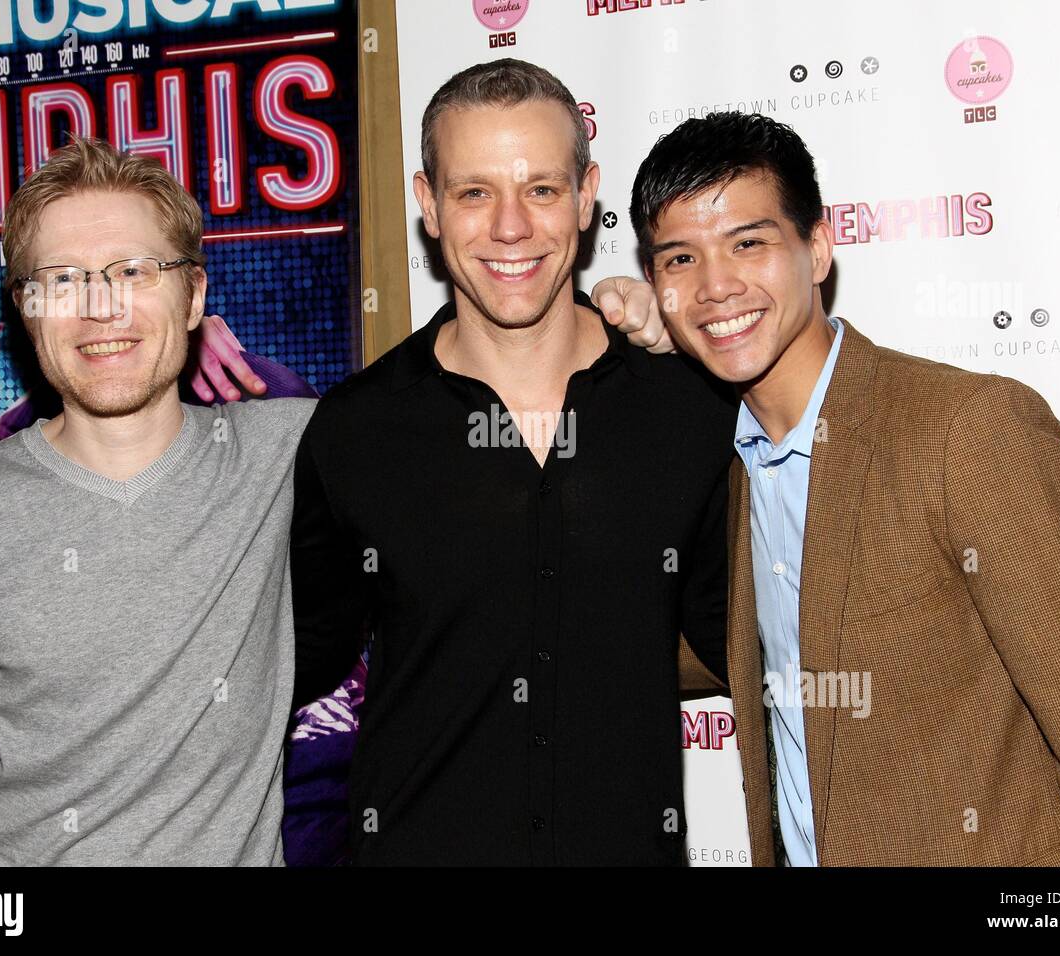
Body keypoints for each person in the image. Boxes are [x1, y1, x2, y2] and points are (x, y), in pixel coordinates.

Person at [594, 110, 1060, 865]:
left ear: (820, 246)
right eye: (679, 260)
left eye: (749, 243)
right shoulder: (725, 470)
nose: (716, 287)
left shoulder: (966, 432)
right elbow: (669, 643)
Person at [291, 58, 735, 865]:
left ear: (586, 193)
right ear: (428, 205)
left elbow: (742, 635)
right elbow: (288, 657)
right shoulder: (355, 430)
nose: (510, 227)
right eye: (474, 192)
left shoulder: (686, 409)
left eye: (540, 189)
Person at [0, 136, 315, 865]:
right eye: (63, 279)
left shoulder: (290, 450)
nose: (102, 306)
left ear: (195, 292)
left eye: (136, 271)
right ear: (24, 308)